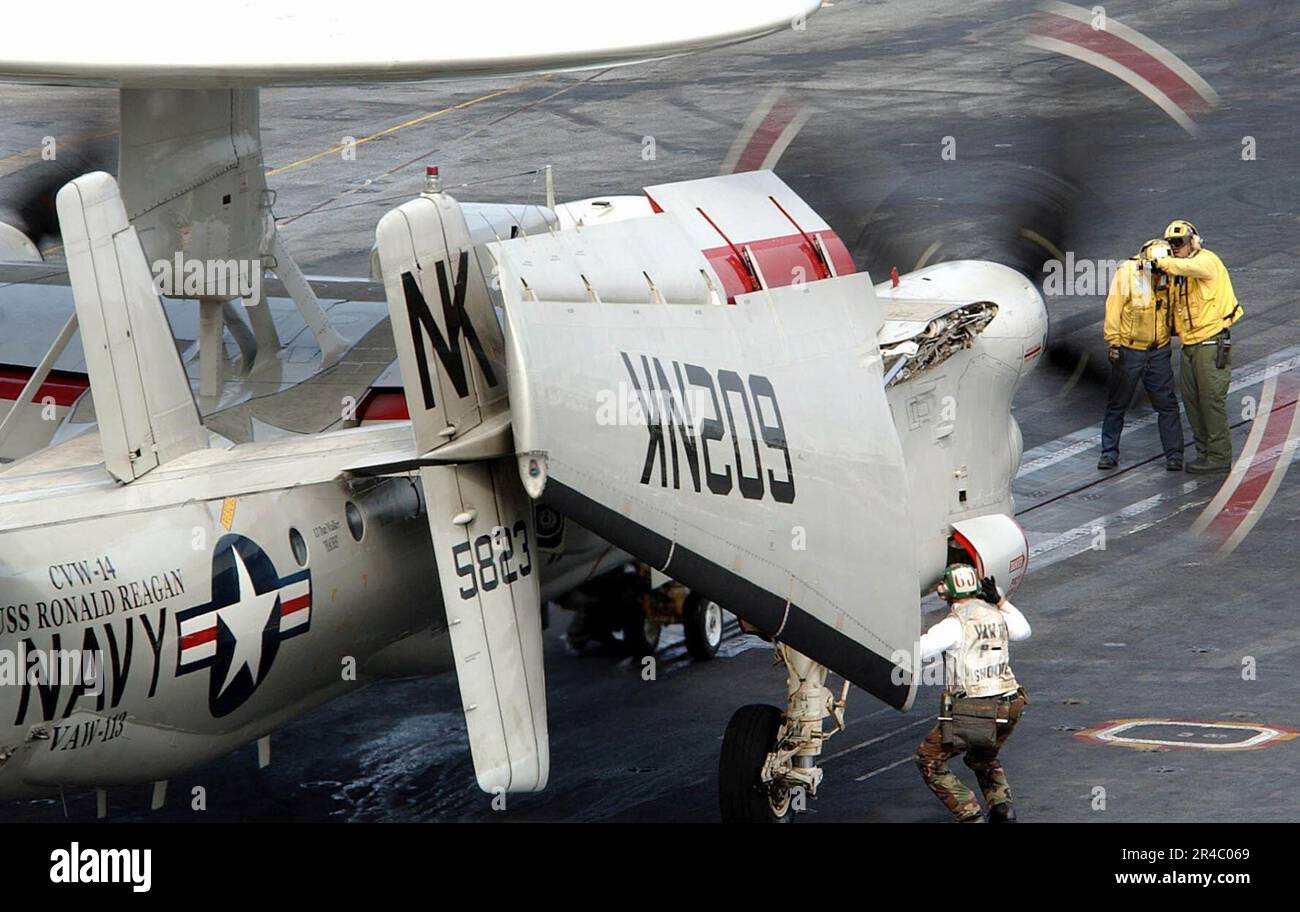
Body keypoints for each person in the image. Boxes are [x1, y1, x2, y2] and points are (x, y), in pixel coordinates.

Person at [913, 564, 1030, 823]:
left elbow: (918, 651)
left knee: (928, 759)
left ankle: (969, 814)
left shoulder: (954, 625)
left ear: (945, 591)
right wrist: (1000, 601)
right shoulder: (997, 615)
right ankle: (1002, 808)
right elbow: (1024, 630)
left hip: (977, 708)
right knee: (982, 756)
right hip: (1012, 703)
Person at [1153, 220, 1243, 474]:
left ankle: (1219, 456)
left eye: (1178, 242)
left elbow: (1187, 267)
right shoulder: (1179, 272)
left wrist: (1160, 261)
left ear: (1193, 241)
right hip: (1189, 346)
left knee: (1211, 400)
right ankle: (1204, 452)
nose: (1175, 247)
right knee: (1192, 402)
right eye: (1171, 244)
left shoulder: (1206, 261)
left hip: (1210, 343)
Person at [1098, 239, 1185, 471]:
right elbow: (1113, 307)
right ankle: (1108, 452)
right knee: (1118, 403)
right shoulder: (1127, 273)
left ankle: (1174, 455)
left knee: (1167, 404)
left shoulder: (1170, 273)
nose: (1159, 273)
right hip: (1130, 349)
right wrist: (1114, 343)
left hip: (1159, 350)